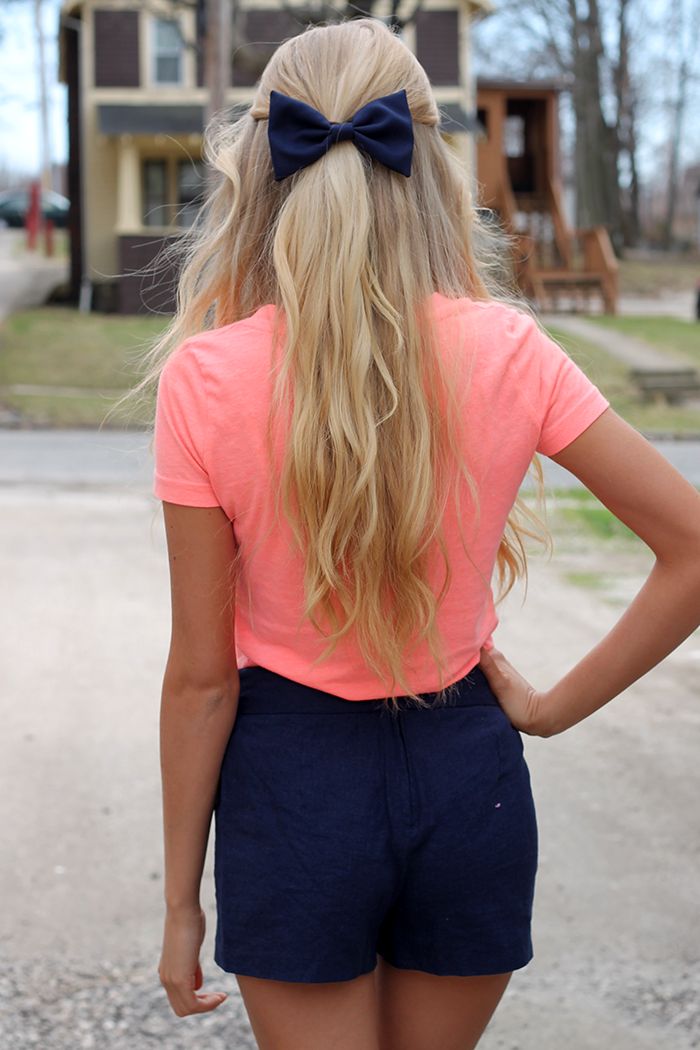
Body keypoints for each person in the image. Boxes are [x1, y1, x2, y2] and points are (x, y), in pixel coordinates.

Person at [136, 17, 700, 1050]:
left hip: (292, 783)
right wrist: (548, 709)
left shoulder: (204, 380)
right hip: (466, 778)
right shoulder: (509, 351)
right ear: (428, 165)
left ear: (259, 172)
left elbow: (203, 681)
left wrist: (180, 902)